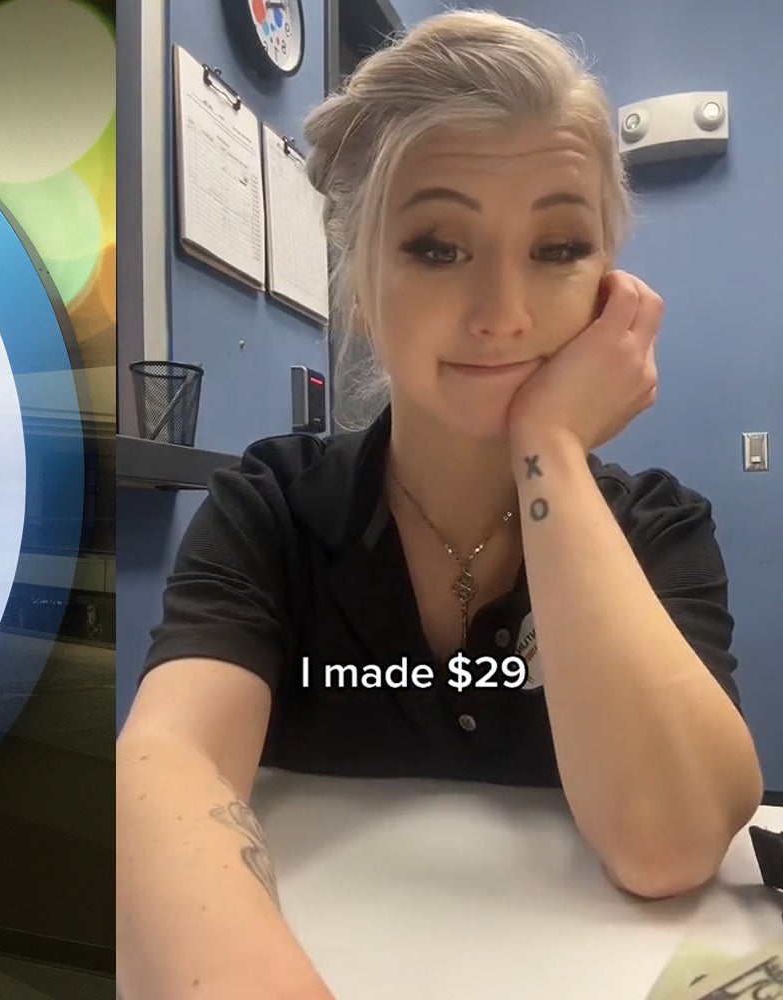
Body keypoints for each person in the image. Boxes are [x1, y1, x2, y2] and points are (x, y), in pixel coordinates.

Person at [114, 12, 762, 1000]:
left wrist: (546, 445)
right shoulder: (273, 503)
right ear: (363, 286)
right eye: (436, 246)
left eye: (556, 247)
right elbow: (167, 759)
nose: (503, 309)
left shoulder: (657, 527)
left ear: (608, 290)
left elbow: (666, 846)